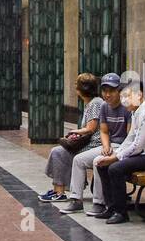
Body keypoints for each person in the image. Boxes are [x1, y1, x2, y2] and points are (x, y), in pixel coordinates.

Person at [94, 82, 145, 224]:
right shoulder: (136, 112)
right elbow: (130, 138)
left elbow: (137, 146)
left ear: (139, 95)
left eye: (127, 96)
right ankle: (111, 208)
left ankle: (121, 213)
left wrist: (115, 158)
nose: (124, 100)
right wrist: (115, 154)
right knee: (102, 165)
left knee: (115, 168)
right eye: (123, 96)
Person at [56, 73, 133, 215]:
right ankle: (76, 200)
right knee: (78, 160)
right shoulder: (104, 107)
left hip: (124, 147)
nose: (108, 95)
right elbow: (103, 131)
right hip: (109, 145)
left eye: (112, 91)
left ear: (119, 91)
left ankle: (99, 203)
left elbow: (131, 136)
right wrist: (105, 146)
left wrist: (118, 150)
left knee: (99, 161)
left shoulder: (127, 108)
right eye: (105, 91)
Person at [38, 73, 102, 204]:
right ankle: (57, 189)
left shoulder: (95, 103)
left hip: (94, 144)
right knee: (59, 151)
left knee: (58, 152)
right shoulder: (91, 103)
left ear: (80, 89)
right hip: (90, 142)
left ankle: (59, 192)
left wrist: (74, 131)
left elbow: (91, 128)